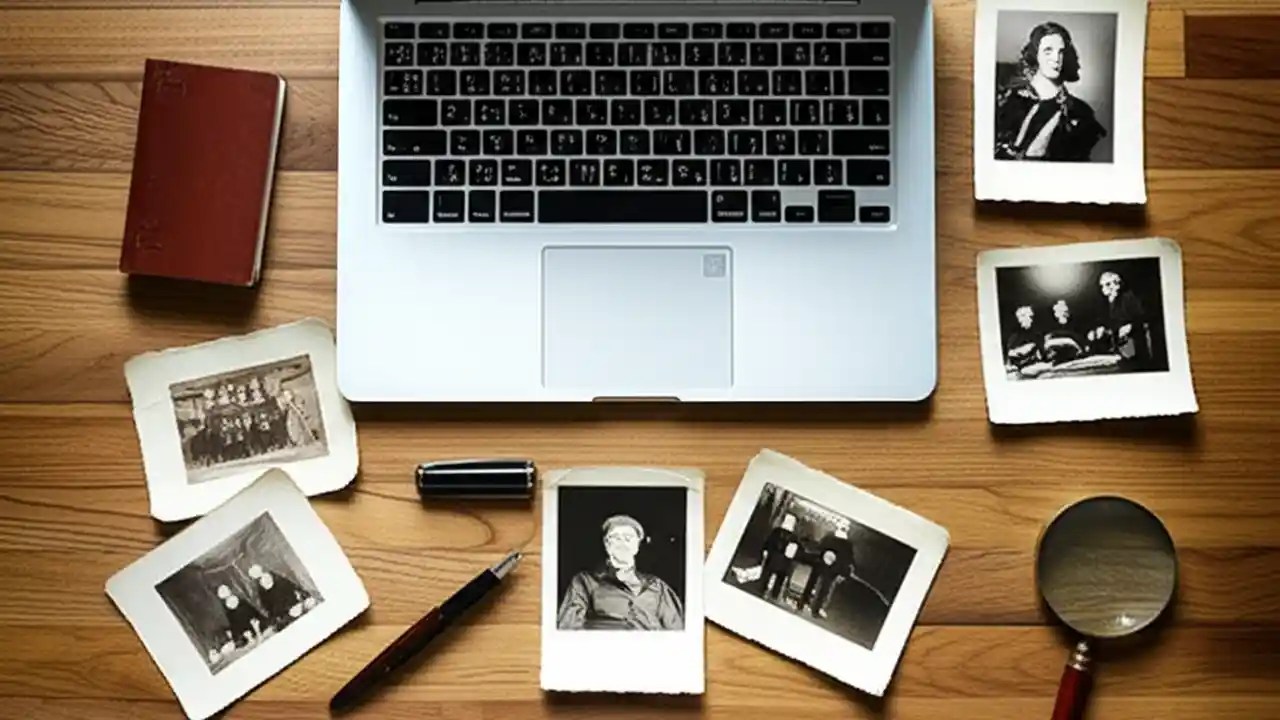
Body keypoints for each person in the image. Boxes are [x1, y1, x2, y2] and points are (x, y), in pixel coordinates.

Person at [995, 22, 1106, 162]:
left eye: (1061, 52)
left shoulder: (1080, 112)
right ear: (1036, 55)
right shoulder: (1007, 101)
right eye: (1048, 51)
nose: (1056, 59)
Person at [557, 514, 684, 630]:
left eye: (628, 538)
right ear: (607, 544)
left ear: (637, 546)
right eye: (616, 538)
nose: (622, 543)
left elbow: (677, 632)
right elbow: (568, 629)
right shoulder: (585, 582)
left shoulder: (657, 586)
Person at [1088, 271, 1150, 365]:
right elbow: (1103, 321)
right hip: (1115, 347)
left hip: (1132, 345)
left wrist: (1130, 326)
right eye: (1103, 285)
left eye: (1108, 284)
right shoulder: (1104, 303)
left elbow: (1143, 318)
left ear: (1117, 284)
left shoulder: (1128, 297)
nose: (1105, 288)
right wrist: (1098, 329)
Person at [798, 525, 854, 619]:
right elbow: (847, 560)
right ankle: (815, 610)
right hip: (832, 569)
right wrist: (843, 573)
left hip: (820, 565)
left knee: (811, 584)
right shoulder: (847, 545)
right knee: (823, 590)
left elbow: (819, 549)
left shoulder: (829, 538)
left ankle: (802, 602)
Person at [248, 563, 306, 631]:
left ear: (261, 569)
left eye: (256, 571)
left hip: (294, 604)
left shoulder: (277, 577)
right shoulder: (261, 591)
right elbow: (267, 607)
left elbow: (291, 587)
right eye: (254, 574)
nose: (257, 574)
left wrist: (299, 600)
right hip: (282, 616)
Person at [760, 513, 802, 603]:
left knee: (767, 575)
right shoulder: (794, 537)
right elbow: (797, 550)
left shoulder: (776, 531)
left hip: (773, 558)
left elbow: (769, 541)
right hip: (784, 562)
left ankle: (762, 589)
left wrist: (765, 550)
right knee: (779, 579)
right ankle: (774, 594)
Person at [216, 583, 265, 647]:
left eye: (225, 589)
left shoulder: (242, 601)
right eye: (222, 591)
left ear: (229, 590)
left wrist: (256, 625)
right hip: (243, 634)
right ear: (220, 596)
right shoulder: (225, 612)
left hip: (255, 624)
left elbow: (254, 613)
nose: (224, 592)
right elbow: (233, 626)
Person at [1043, 299, 1088, 364]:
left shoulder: (1076, 326)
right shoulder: (1050, 329)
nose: (1063, 312)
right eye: (1060, 310)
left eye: (1064, 310)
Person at [1005, 305, 1042, 371]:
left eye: (1031, 317)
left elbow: (1040, 355)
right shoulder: (1014, 337)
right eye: (1028, 316)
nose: (1030, 319)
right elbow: (1010, 355)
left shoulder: (1037, 335)